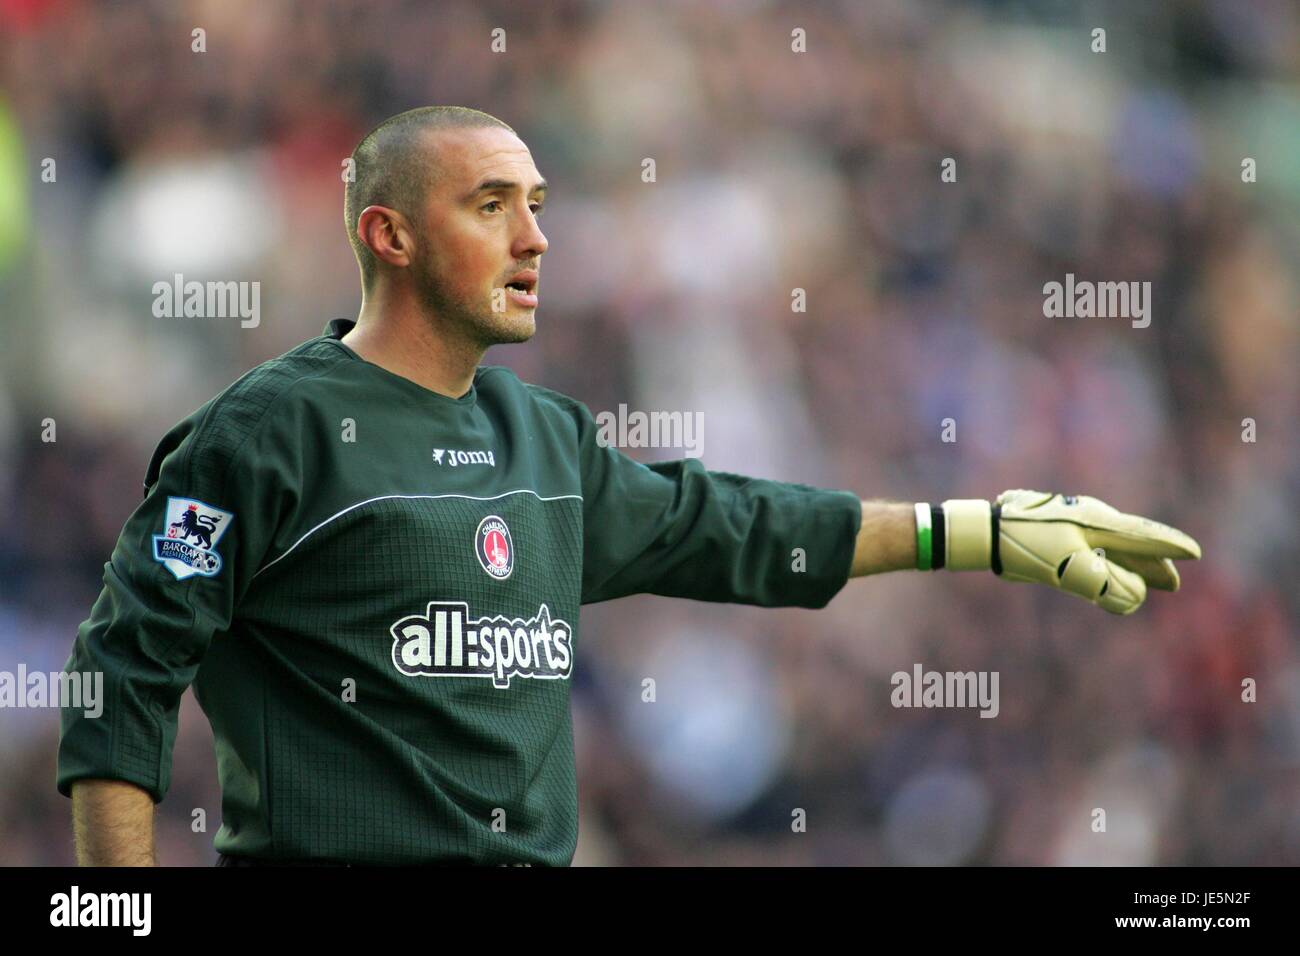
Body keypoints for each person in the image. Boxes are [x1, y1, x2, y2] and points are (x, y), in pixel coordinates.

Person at [57, 107, 1202, 866]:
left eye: (540, 205)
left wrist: (981, 528)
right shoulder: (267, 433)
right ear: (387, 234)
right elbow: (124, 665)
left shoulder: (544, 438)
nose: (535, 239)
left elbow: (735, 527)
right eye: (491, 204)